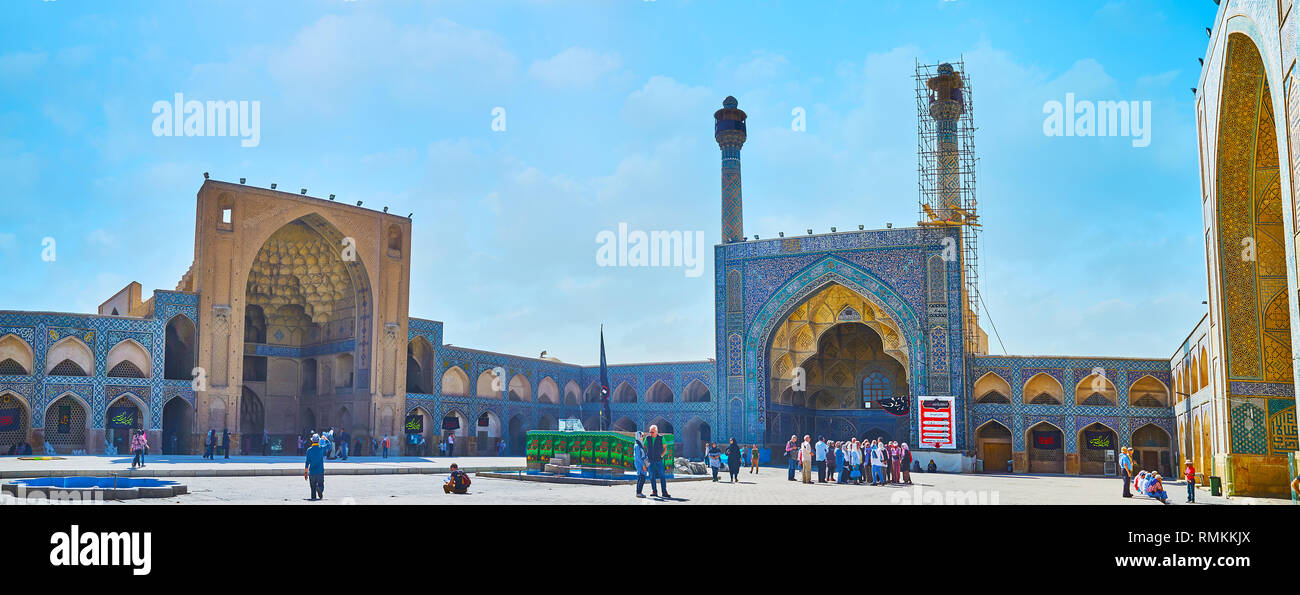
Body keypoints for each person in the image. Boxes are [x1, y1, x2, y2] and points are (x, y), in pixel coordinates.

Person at [645, 424, 671, 498]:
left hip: (658, 460)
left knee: (662, 476)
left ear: (656, 431)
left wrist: (661, 455)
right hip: (650, 460)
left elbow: (665, 448)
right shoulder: (647, 438)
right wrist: (646, 456)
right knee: (652, 476)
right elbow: (644, 447)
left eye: (652, 432)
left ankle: (664, 492)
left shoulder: (661, 438)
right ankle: (654, 491)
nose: (651, 433)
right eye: (650, 432)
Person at [304, 434, 325, 501]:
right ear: (318, 441)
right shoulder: (321, 448)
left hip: (312, 473)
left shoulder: (309, 450)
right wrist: (324, 439)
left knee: (312, 487)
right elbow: (329, 445)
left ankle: (313, 498)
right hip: (320, 472)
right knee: (321, 485)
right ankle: (319, 489)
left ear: (312, 441)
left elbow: (307, 462)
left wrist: (305, 473)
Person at [633, 431, 649, 498]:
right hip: (639, 463)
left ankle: (639, 492)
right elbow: (638, 457)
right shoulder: (637, 446)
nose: (643, 437)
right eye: (642, 436)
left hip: (642, 463)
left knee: (642, 477)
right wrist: (643, 464)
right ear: (638, 436)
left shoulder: (640, 445)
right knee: (641, 477)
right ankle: (638, 492)